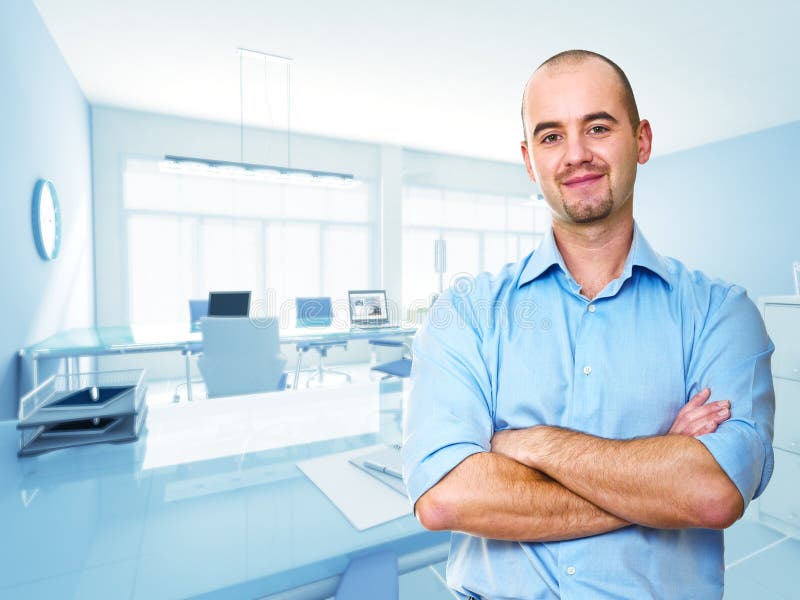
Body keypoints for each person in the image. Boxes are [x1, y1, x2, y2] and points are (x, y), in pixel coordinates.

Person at [401, 49, 775, 599]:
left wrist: (530, 444)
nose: (576, 154)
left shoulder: (721, 314)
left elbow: (711, 493)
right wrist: (654, 472)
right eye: (551, 136)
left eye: (597, 127)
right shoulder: (466, 312)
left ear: (641, 140)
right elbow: (446, 498)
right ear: (530, 161)